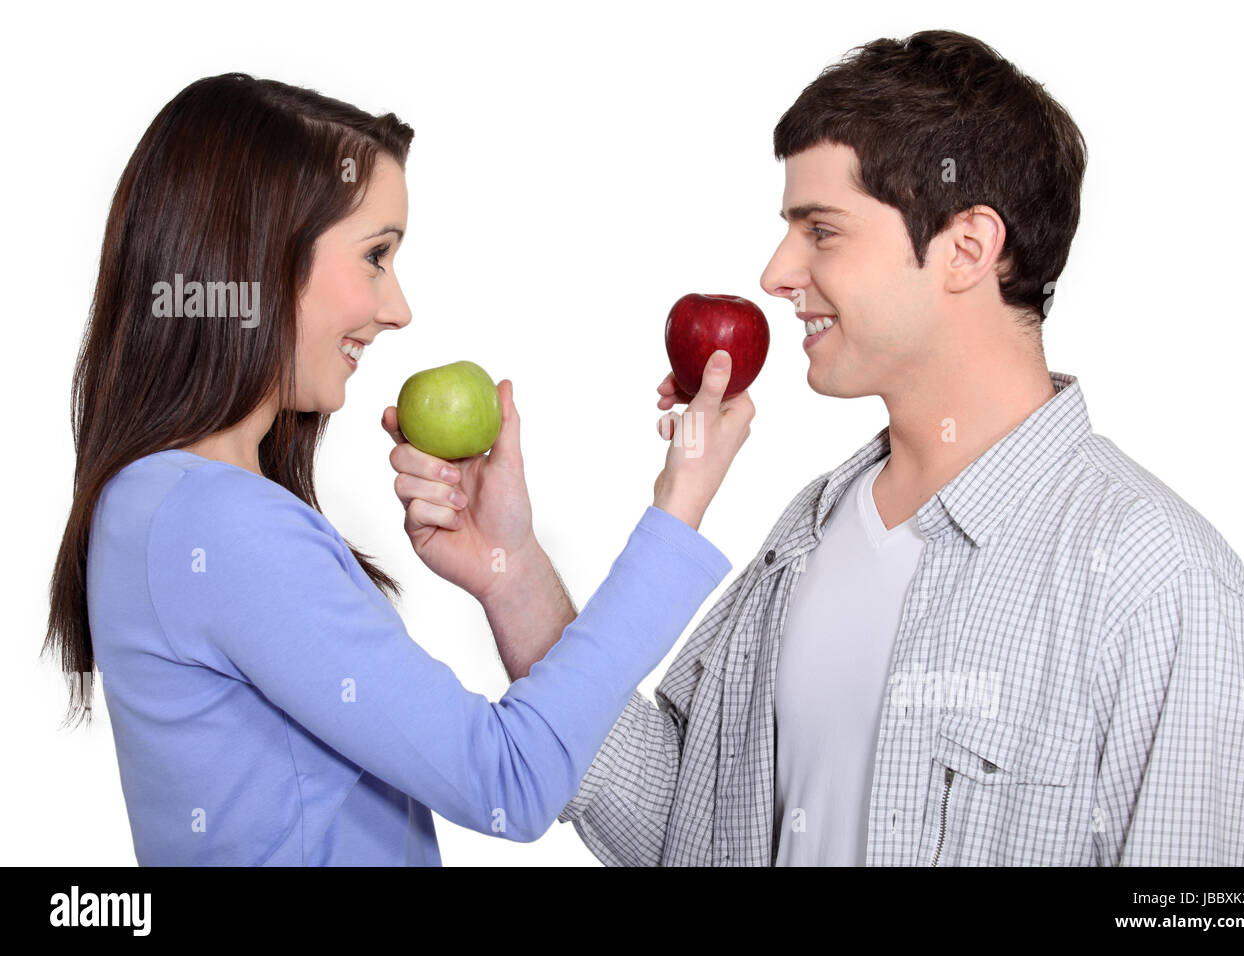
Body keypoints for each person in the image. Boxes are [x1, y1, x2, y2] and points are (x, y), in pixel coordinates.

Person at [554, 29, 1244, 866]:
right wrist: (507, 567)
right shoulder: (809, 531)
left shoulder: (1154, 579)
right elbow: (687, 831)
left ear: (966, 249)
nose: (775, 272)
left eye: (820, 231)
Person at [43, 73, 754, 865]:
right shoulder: (220, 521)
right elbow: (508, 781)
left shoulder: (147, 500)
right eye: (375, 255)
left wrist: (505, 563)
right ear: (259, 257)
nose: (398, 308)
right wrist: (679, 504)